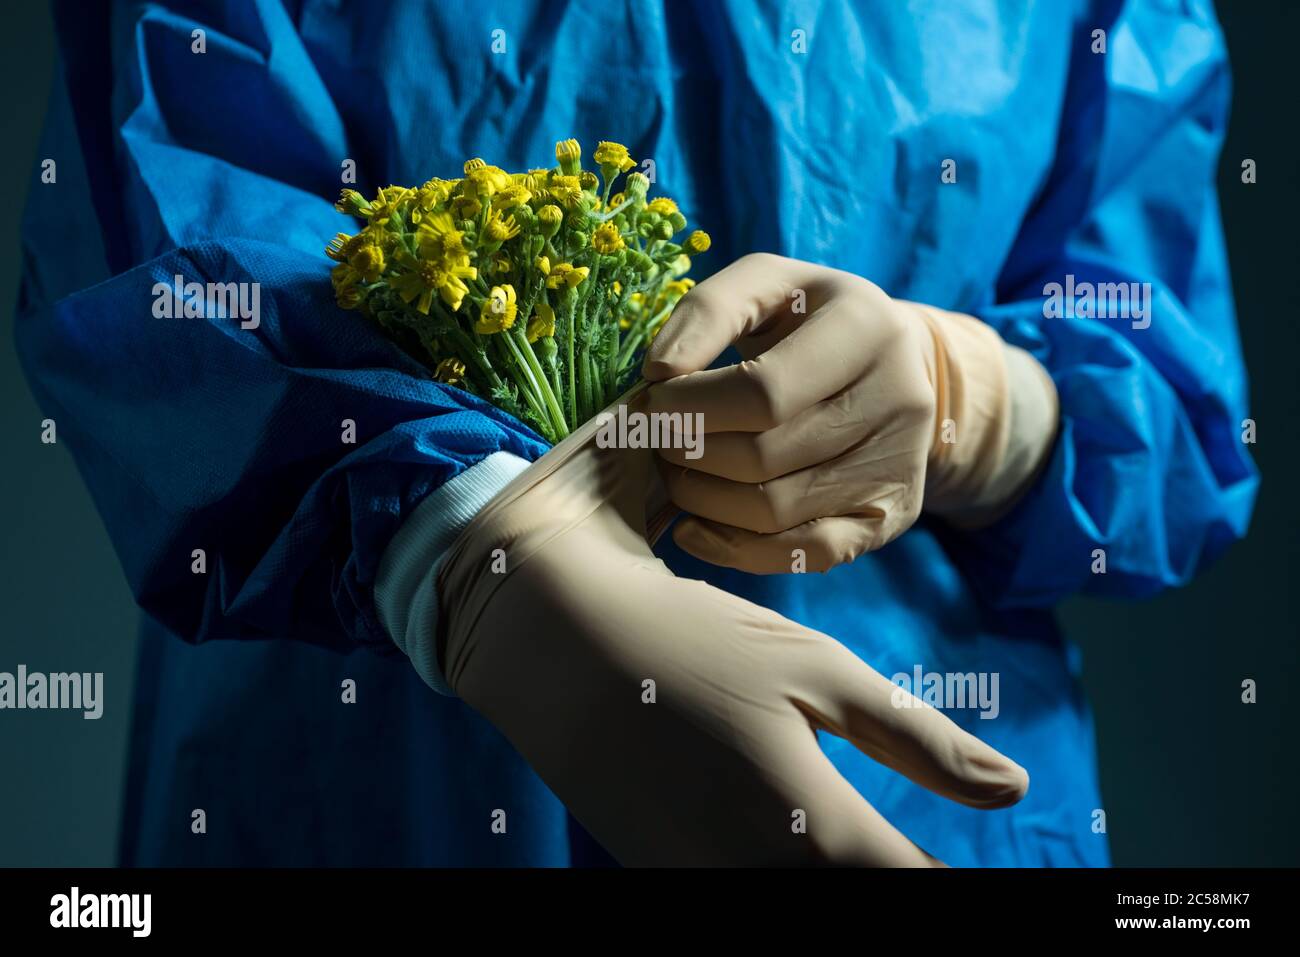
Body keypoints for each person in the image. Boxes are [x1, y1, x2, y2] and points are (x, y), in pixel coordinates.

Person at [17, 0, 1256, 866]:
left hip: (922, 785)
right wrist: (471, 557)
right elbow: (179, 232)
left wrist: (974, 399)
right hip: (386, 791)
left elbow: (1162, 368)